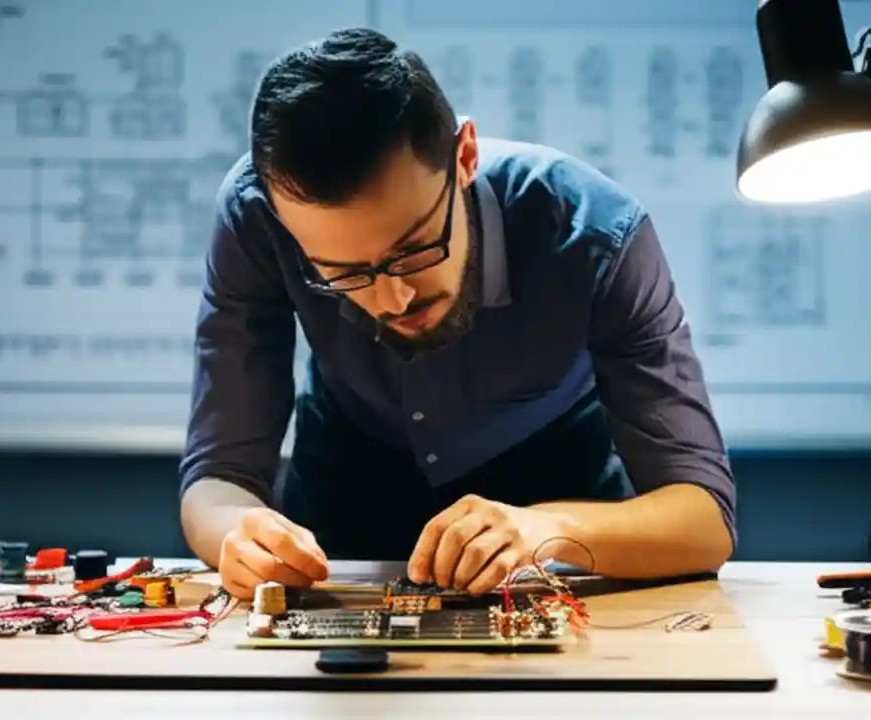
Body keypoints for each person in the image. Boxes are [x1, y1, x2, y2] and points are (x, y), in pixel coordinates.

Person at [178, 28, 736, 601]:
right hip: (345, 484)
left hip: (556, 492)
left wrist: (554, 527)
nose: (392, 299)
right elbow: (217, 479)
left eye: (414, 250)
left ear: (464, 155)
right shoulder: (256, 214)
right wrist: (234, 534)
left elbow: (704, 519)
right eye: (343, 274)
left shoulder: (594, 234)